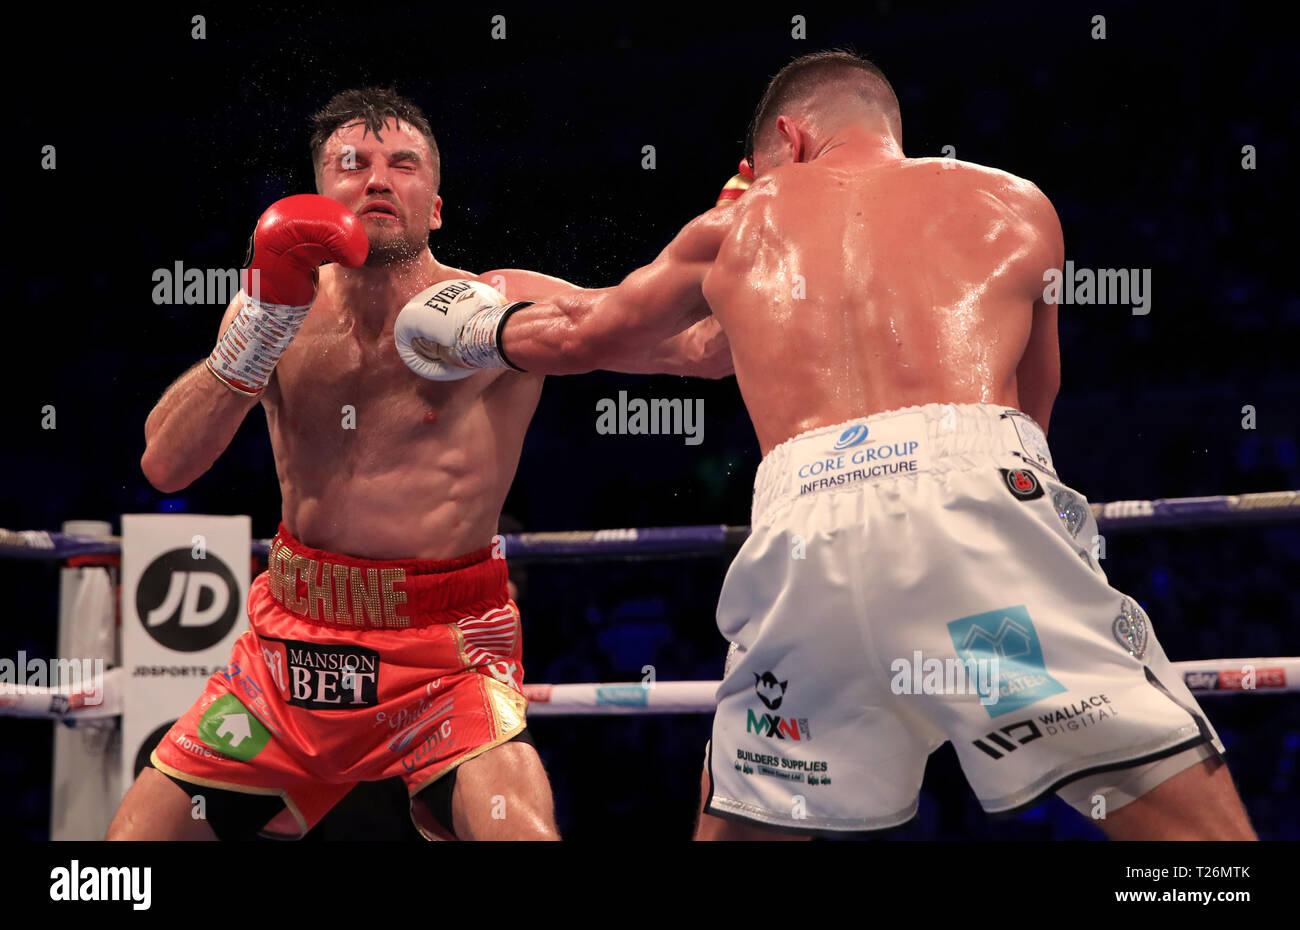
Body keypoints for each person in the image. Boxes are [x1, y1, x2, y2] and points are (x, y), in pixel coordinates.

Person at [400, 51, 1257, 841]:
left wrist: (467, 315)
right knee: (1192, 835)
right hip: (982, 531)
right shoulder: (1015, 202)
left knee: (746, 817)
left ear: (787, 137)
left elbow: (584, 337)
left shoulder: (736, 225)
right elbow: (1037, 411)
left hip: (806, 534)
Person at [107, 87, 728, 842]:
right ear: (318, 193)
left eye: (402, 164)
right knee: (123, 861)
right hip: (290, 646)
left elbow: (702, 353)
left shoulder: (501, 304)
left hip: (449, 654)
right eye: (352, 163)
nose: (377, 178)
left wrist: (747, 235)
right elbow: (165, 465)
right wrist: (256, 333)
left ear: (434, 204)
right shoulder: (271, 310)